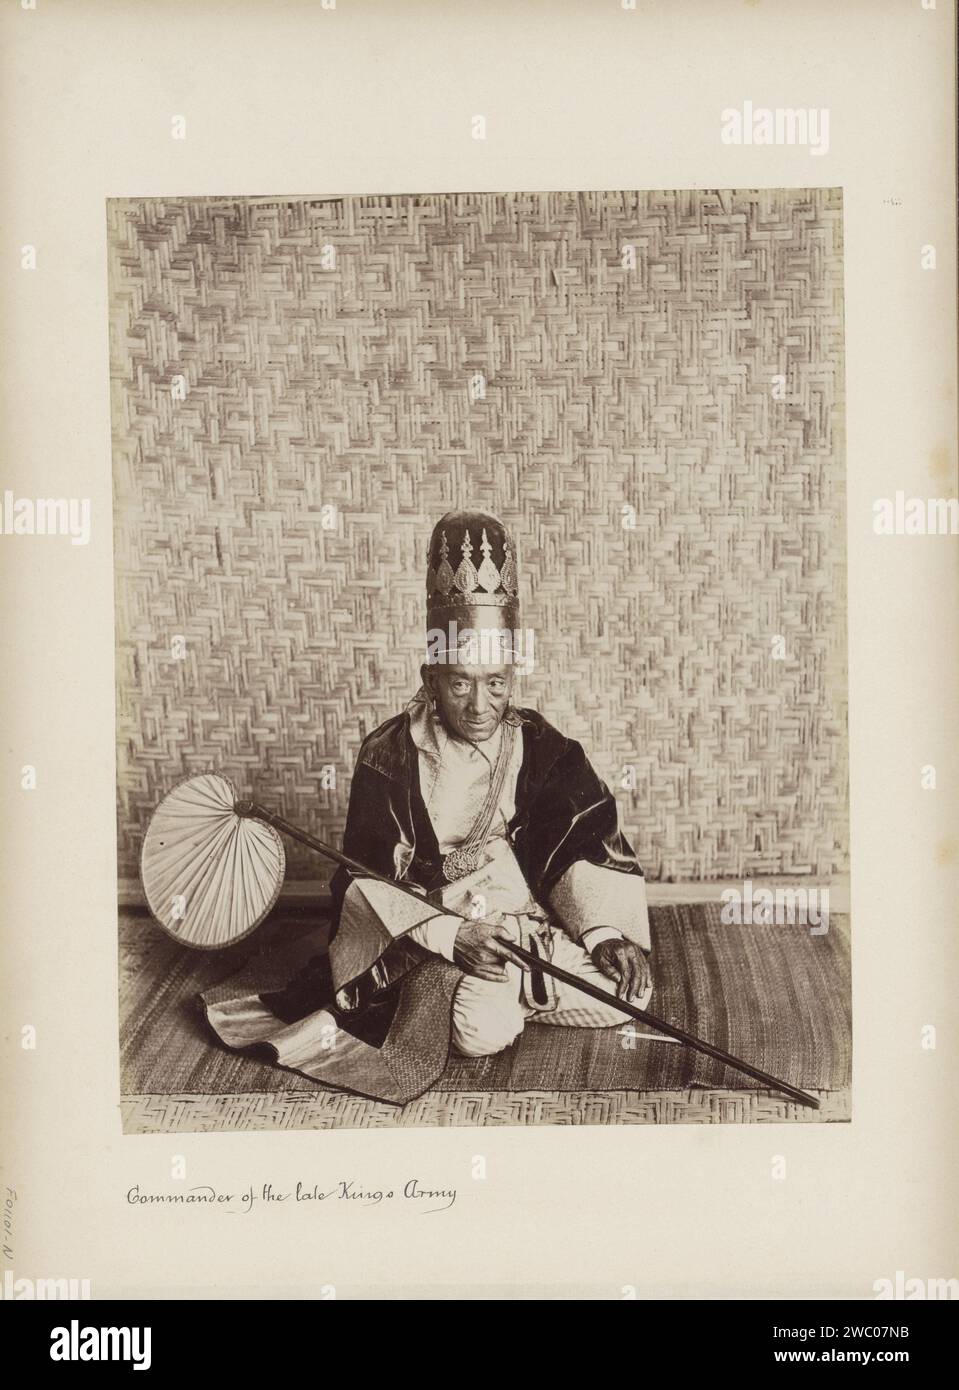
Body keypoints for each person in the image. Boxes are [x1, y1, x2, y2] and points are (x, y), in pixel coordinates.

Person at [203, 510, 654, 1105]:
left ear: (512, 676)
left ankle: (514, 980)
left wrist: (601, 933)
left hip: (528, 925)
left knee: (630, 994)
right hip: (439, 930)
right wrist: (453, 937)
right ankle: (475, 985)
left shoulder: (541, 746)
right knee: (483, 1031)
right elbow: (365, 885)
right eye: (460, 683)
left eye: (496, 683)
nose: (479, 705)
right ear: (431, 677)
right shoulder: (389, 755)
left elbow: (581, 840)